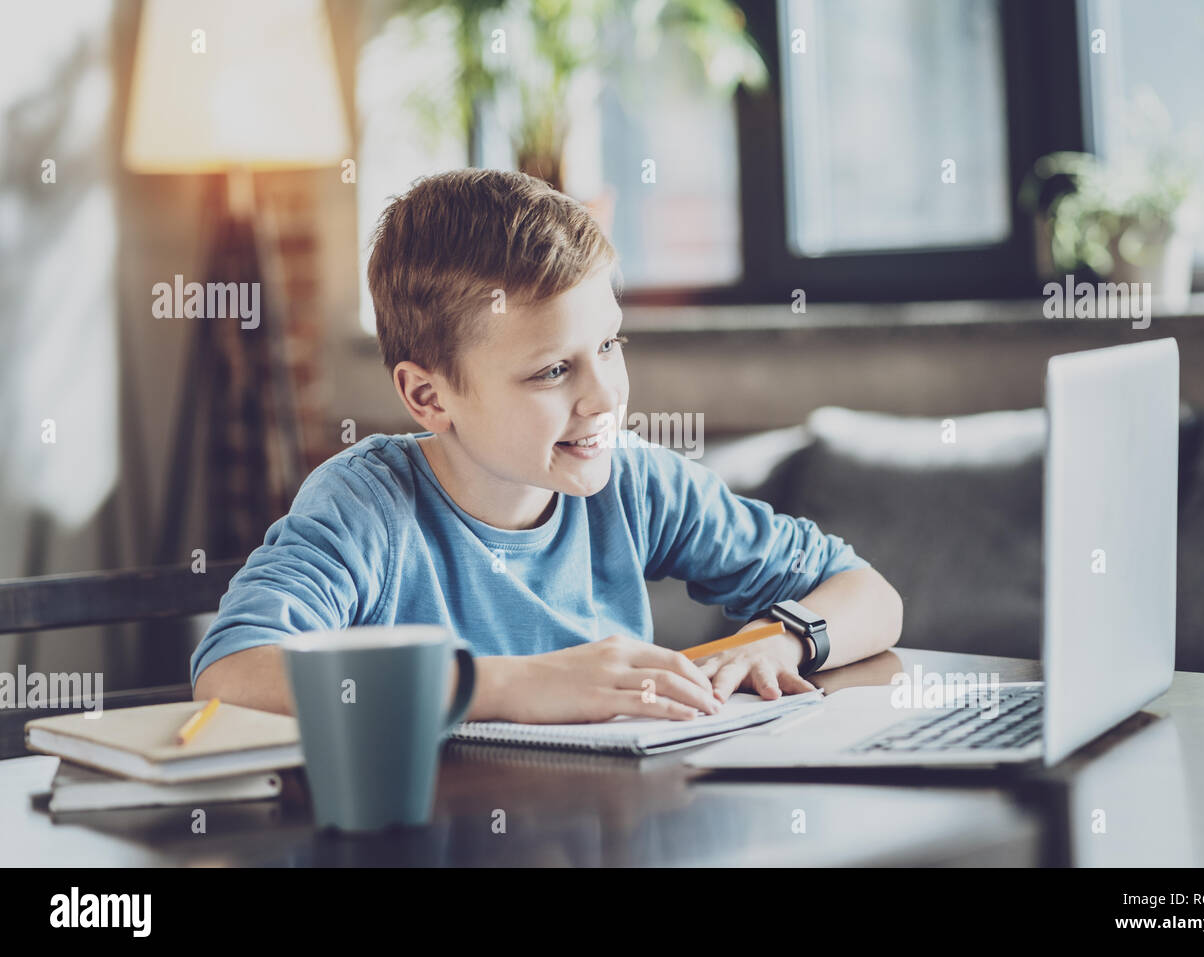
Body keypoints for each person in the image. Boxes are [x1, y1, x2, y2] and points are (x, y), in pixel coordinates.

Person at [192, 168, 902, 723]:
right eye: (554, 370)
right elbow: (233, 672)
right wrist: (513, 683)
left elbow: (869, 592)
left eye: (608, 345)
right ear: (428, 397)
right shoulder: (369, 507)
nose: (603, 399)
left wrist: (780, 639)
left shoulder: (635, 482)